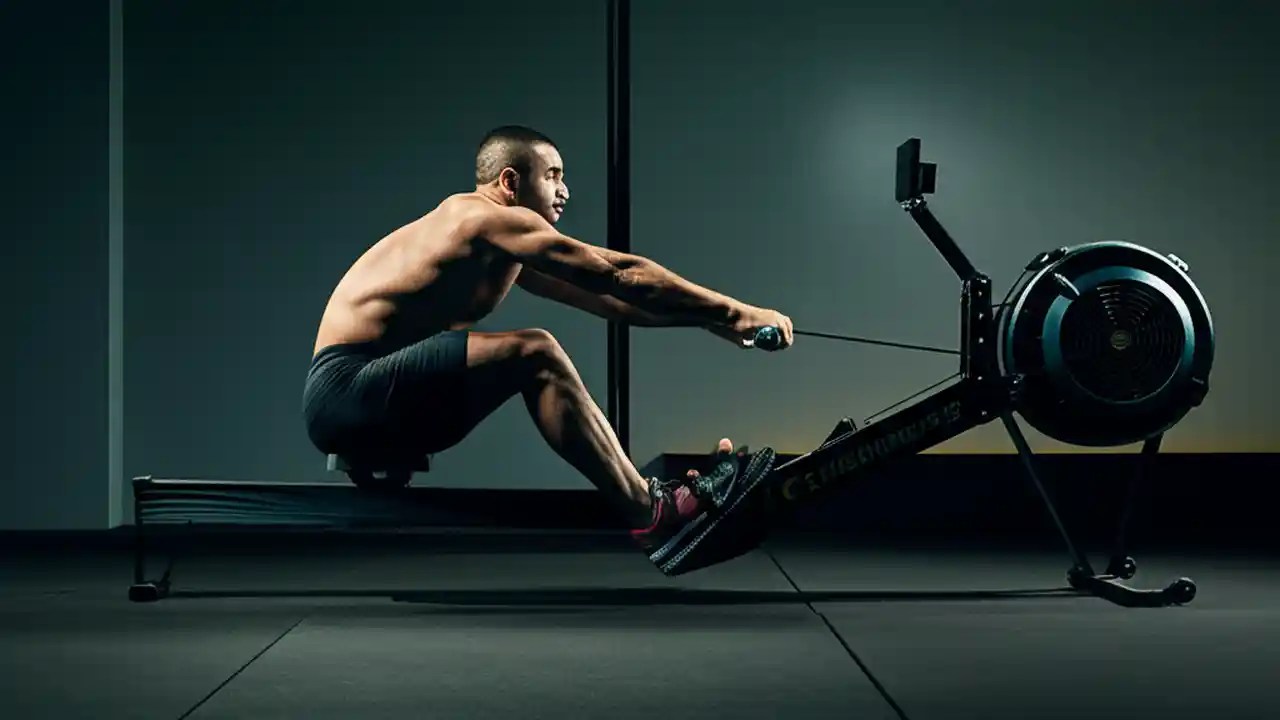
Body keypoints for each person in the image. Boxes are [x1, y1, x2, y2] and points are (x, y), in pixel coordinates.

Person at [303, 125, 794, 574]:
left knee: (535, 353)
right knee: (536, 352)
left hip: (379, 398)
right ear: (510, 182)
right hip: (345, 391)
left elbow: (612, 301)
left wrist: (713, 321)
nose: (565, 190)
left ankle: (651, 504)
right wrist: (737, 312)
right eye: (553, 175)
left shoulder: (501, 243)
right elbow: (619, 274)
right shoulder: (479, 218)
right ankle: (653, 512)